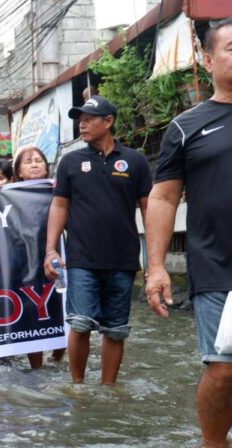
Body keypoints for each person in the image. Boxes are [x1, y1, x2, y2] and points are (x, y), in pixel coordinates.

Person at [145, 18, 232, 448]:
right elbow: (163, 198)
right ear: (208, 58)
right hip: (216, 263)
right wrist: (156, 267)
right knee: (223, 370)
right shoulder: (186, 126)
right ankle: (214, 443)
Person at [44, 96, 151, 385]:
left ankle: (108, 388)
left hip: (123, 258)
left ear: (109, 121)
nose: (83, 123)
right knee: (79, 324)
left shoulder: (135, 160)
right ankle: (77, 386)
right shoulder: (70, 162)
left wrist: (154, 258)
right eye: (80, 119)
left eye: (90, 118)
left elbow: (148, 207)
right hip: (81, 258)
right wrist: (51, 249)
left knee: (116, 330)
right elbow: (59, 206)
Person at [11, 146, 66, 369]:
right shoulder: (8, 194)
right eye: (27, 162)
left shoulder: (59, 190)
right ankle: (36, 367)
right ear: (19, 172)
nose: (34, 164)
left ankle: (57, 357)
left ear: (46, 167)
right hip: (24, 263)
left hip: (57, 258)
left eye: (38, 160)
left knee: (60, 308)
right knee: (32, 312)